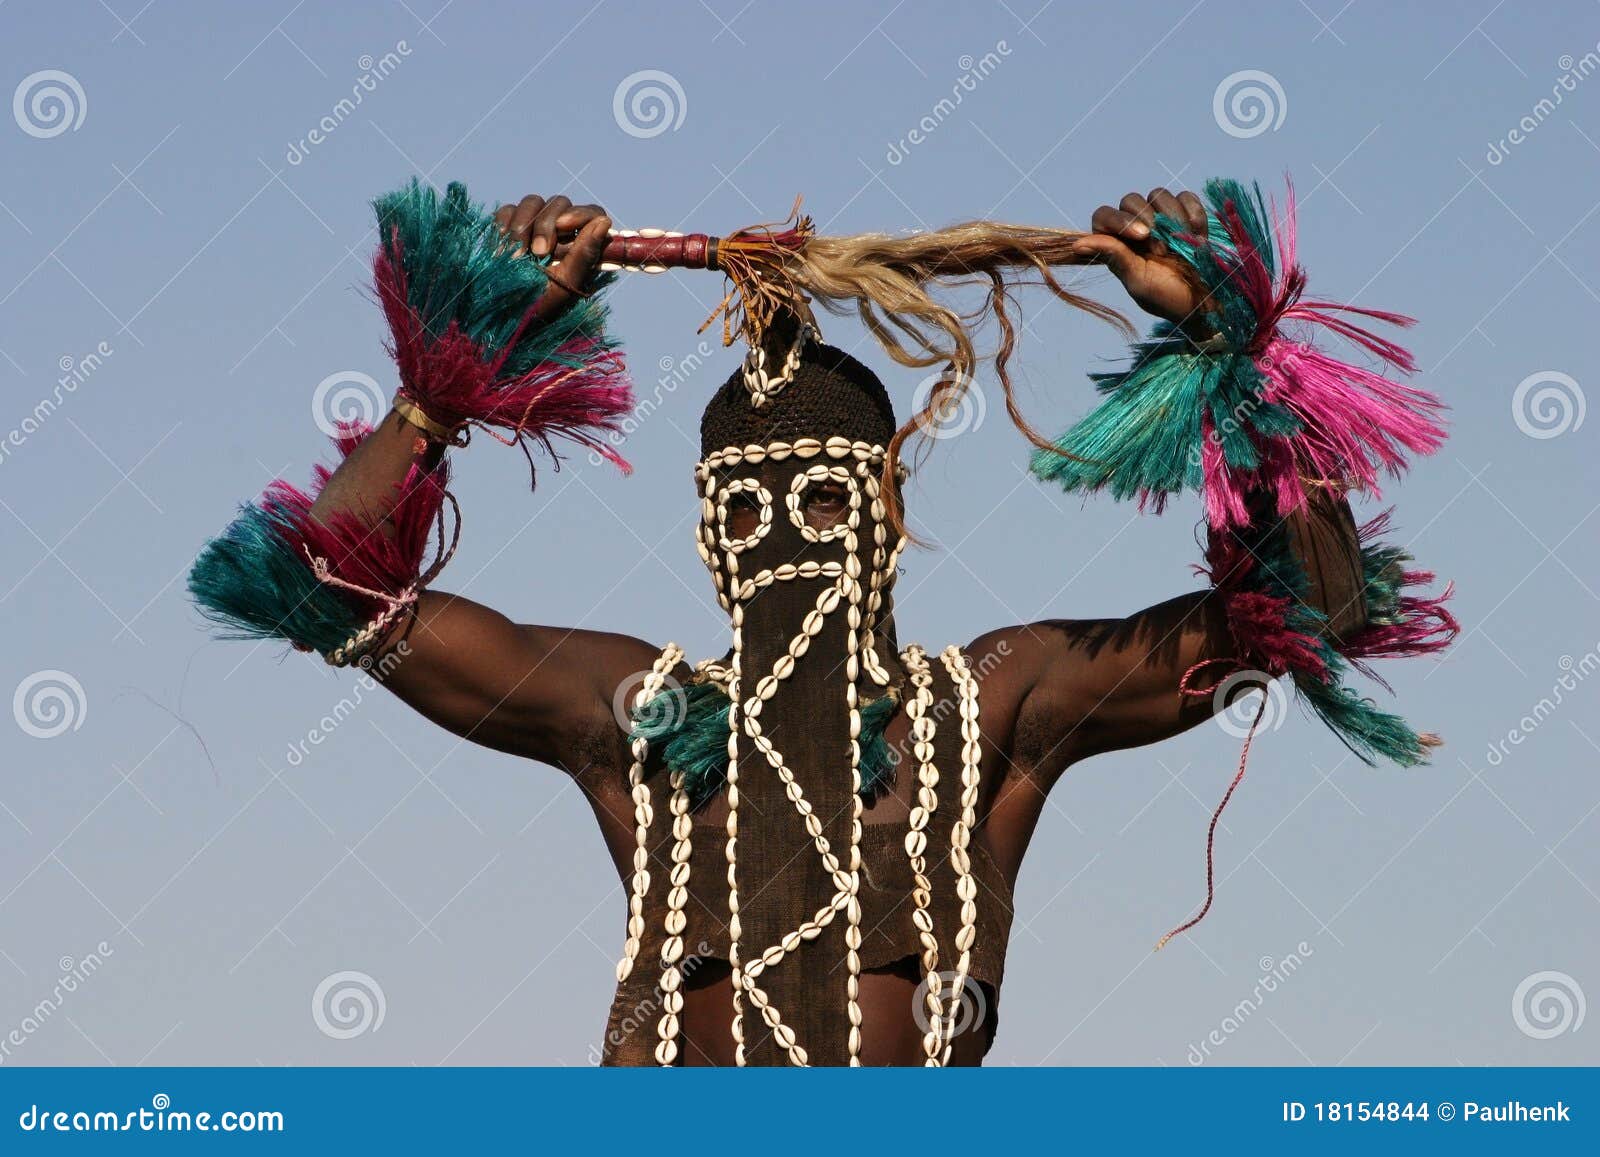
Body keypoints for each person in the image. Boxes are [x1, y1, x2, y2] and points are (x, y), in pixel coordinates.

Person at [190, 181, 1454, 1066]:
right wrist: (457, 365)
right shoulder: (636, 715)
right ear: (708, 535)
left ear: (887, 512)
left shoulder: (991, 705)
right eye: (746, 507)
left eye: (822, 498)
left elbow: (1311, 606)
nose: (783, 534)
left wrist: (1225, 332)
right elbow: (315, 581)